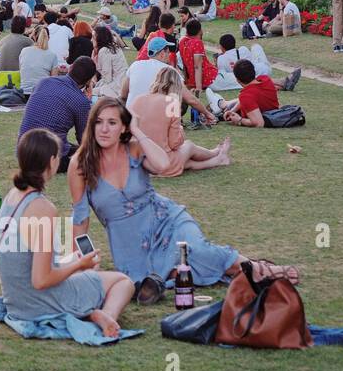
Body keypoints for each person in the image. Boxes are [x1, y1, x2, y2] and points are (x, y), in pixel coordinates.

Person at [68, 98, 283, 302]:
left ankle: (265, 271)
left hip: (165, 220)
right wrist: (85, 263)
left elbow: (163, 165)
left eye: (112, 122)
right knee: (154, 277)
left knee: (198, 252)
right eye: (99, 122)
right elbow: (80, 223)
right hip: (130, 245)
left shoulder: (133, 148)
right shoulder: (81, 164)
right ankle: (242, 271)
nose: (104, 129)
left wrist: (137, 130)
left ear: (123, 127)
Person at [0, 129, 133, 336]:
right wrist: (79, 264)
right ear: (52, 161)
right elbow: (41, 280)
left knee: (86, 264)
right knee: (123, 282)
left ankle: (87, 305)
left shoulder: (12, 197)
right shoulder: (42, 208)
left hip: (16, 300)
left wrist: (75, 262)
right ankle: (103, 315)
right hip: (38, 303)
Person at [130, 66, 231, 176]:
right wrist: (181, 131)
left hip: (139, 161)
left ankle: (219, 159)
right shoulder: (171, 104)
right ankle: (215, 153)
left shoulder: (138, 100)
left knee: (187, 162)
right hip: (162, 162)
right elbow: (174, 143)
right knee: (189, 146)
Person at [19, 57, 97, 166]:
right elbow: (84, 139)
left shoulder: (44, 82)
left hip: (22, 150)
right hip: (47, 158)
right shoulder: (80, 101)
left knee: (70, 147)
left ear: (70, 69)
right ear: (88, 81)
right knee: (88, 157)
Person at [216, 60, 281, 128]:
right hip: (274, 113)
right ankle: (222, 103)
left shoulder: (246, 95)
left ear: (237, 80)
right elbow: (248, 98)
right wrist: (232, 111)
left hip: (266, 117)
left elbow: (259, 123)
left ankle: (220, 104)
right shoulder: (265, 79)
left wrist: (239, 120)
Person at [18, 25, 64, 96]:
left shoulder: (24, 51)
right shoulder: (52, 56)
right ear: (48, 38)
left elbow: (22, 71)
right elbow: (54, 82)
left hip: (23, 94)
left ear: (33, 36)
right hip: (42, 96)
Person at [92, 26, 128, 100]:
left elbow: (107, 78)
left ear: (99, 38)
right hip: (122, 81)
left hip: (117, 85)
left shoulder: (105, 50)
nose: (92, 40)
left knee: (91, 92)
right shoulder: (114, 47)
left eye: (93, 37)